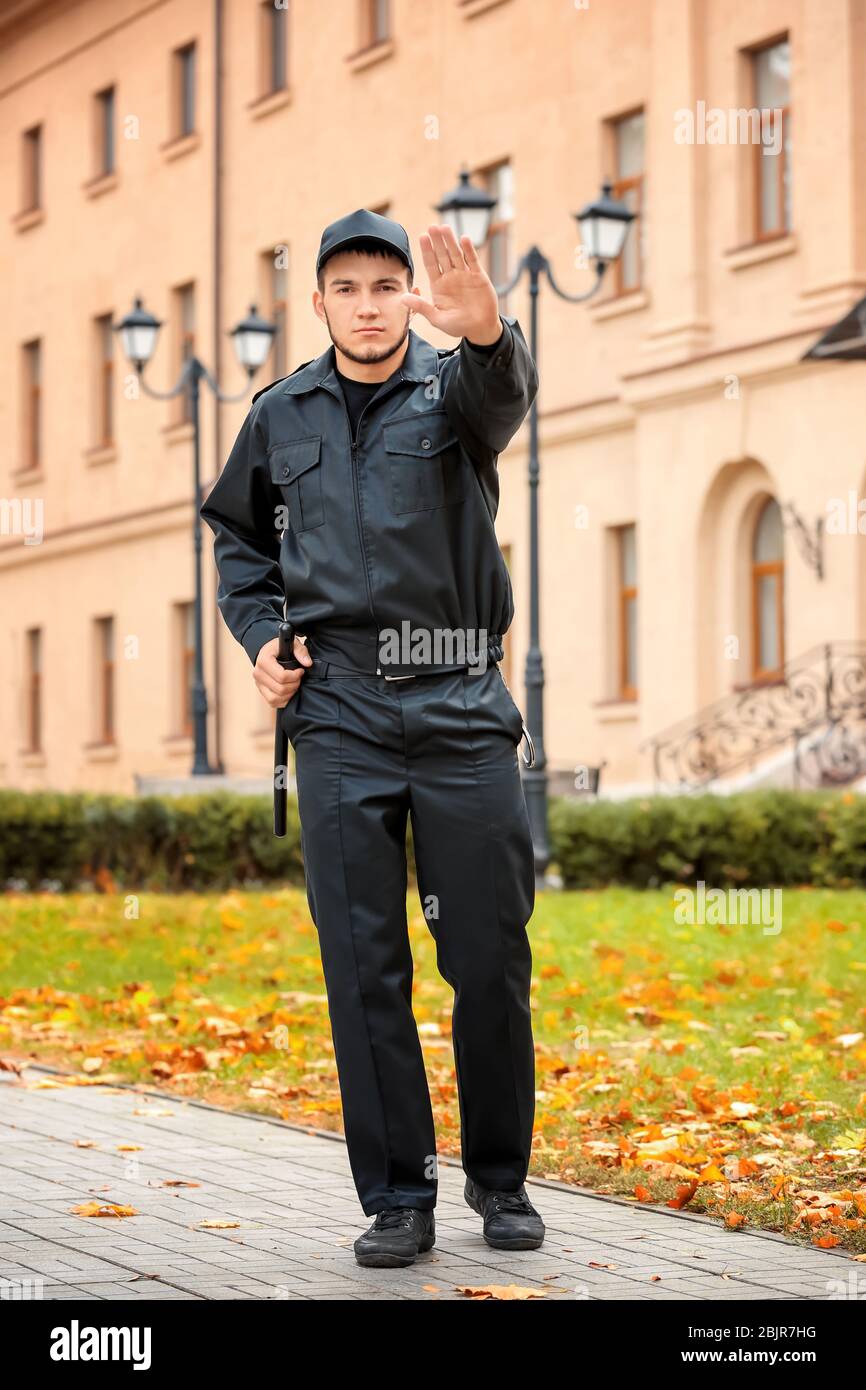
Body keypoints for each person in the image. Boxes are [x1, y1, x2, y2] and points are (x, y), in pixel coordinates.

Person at [200, 208, 544, 1269]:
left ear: (408, 296)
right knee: (361, 965)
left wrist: (486, 331)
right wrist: (260, 636)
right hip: (338, 710)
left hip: (454, 699)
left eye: (383, 286)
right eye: (344, 287)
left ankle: (499, 1178)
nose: (365, 303)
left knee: (483, 956)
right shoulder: (278, 414)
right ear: (319, 303)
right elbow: (239, 539)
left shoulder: (451, 390)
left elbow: (500, 399)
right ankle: (397, 1194)